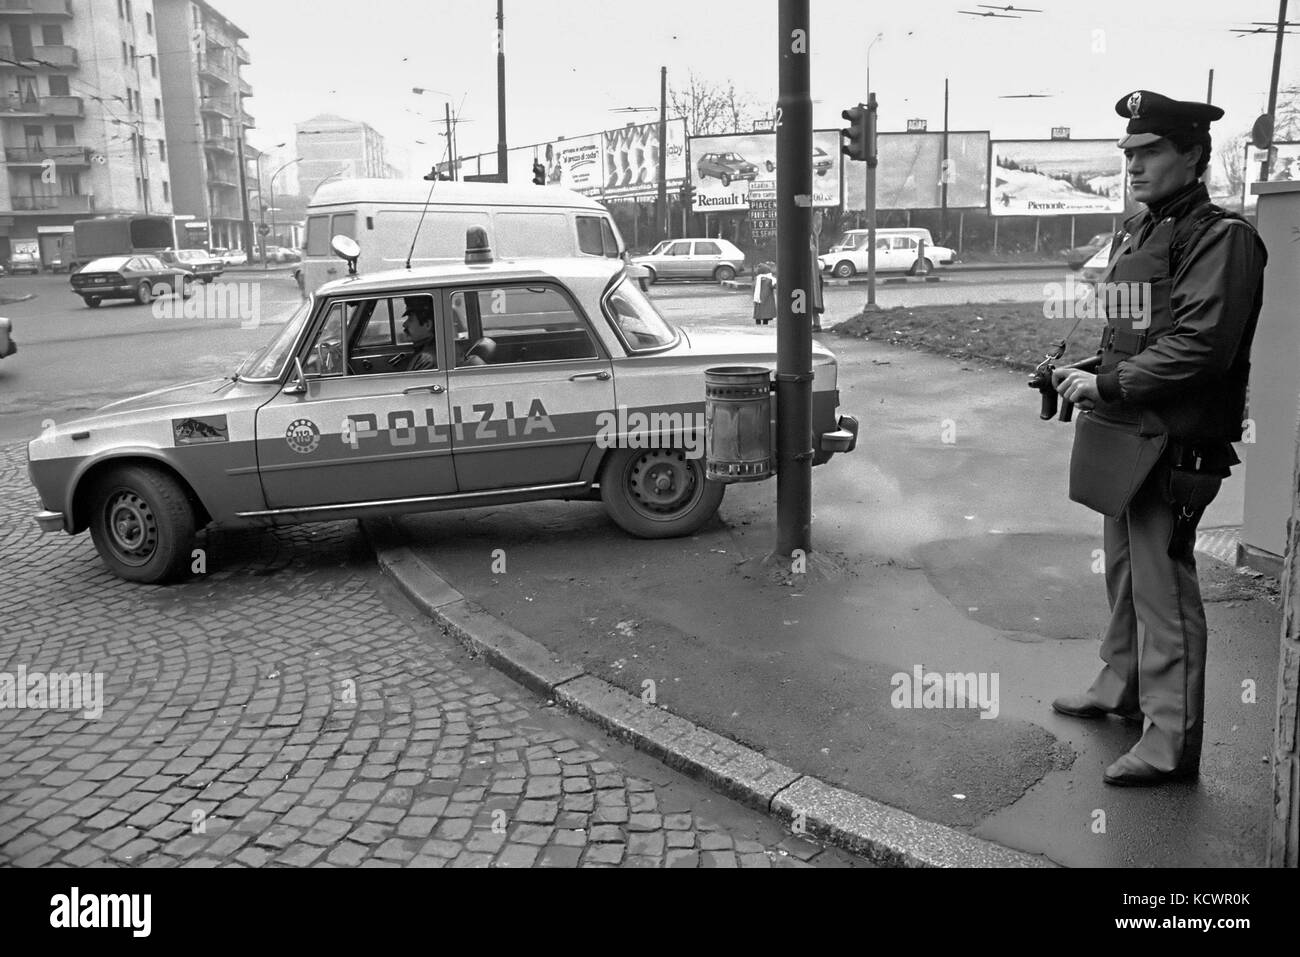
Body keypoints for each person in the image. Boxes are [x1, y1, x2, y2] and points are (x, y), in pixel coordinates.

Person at [1049, 90, 1268, 787]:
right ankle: (1121, 686)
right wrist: (1080, 371)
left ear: (1193, 155)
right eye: (1128, 155)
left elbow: (1203, 345)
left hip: (1175, 445)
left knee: (1163, 589)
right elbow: (1133, 340)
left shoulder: (1222, 239)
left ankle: (1170, 741)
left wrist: (1109, 386)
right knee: (1124, 573)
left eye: (1148, 154)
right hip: (1127, 438)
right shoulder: (1141, 232)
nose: (1133, 167)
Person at [401, 297, 438, 371]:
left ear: (427, 325)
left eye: (410, 319)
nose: (404, 324)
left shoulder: (427, 359)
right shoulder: (425, 352)